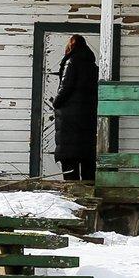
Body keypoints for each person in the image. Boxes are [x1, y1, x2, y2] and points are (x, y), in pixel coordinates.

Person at [52, 34, 100, 182]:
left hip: (69, 120)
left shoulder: (71, 62)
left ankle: (71, 198)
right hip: (87, 117)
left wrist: (55, 103)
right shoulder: (92, 66)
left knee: (69, 161)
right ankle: (89, 193)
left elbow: (65, 88)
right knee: (86, 161)